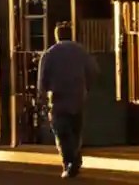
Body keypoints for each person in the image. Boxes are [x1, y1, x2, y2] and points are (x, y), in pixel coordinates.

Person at [37, 21, 99, 179]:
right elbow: (93, 70)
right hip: (78, 96)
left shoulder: (49, 53)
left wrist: (43, 97)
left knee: (62, 132)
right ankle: (75, 155)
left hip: (58, 98)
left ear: (57, 35)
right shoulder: (81, 51)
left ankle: (69, 161)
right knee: (75, 129)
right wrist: (86, 86)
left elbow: (42, 79)